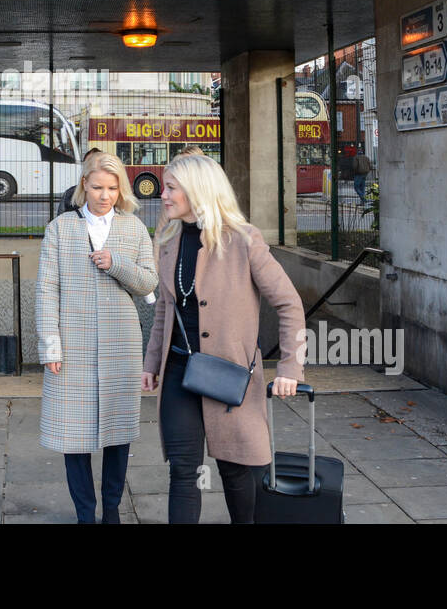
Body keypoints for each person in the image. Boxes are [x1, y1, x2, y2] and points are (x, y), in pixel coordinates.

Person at [143, 153, 306, 524]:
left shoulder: (243, 241)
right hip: (179, 373)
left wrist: (290, 368)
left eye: (171, 188)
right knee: (183, 472)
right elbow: (165, 310)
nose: (163, 196)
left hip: (230, 377)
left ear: (197, 190)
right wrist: (151, 363)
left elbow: (289, 303)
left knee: (236, 470)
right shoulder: (168, 239)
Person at [36, 150, 158, 523]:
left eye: (111, 187)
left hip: (120, 346)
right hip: (73, 347)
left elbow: (149, 282)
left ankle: (112, 512)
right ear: (83, 186)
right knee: (74, 437)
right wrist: (50, 346)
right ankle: (85, 514)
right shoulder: (60, 228)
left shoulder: (134, 228)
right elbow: (46, 290)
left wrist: (116, 263)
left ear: (120, 188)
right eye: (97, 186)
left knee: (118, 433)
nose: (104, 195)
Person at [56, 147, 101, 215]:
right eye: (87, 164)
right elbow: (60, 220)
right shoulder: (70, 194)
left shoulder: (111, 195)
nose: (90, 168)